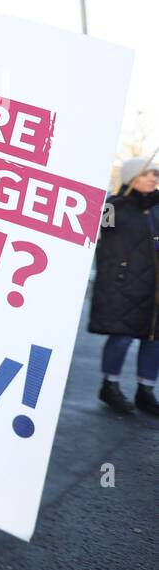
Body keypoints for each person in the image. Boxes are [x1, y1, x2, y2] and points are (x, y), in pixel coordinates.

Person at [89, 155, 159, 416]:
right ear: (131, 178)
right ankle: (110, 385)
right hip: (124, 286)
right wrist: (116, 201)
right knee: (122, 337)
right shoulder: (114, 206)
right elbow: (98, 232)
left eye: (155, 175)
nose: (153, 178)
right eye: (146, 174)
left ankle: (146, 391)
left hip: (155, 290)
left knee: (154, 340)